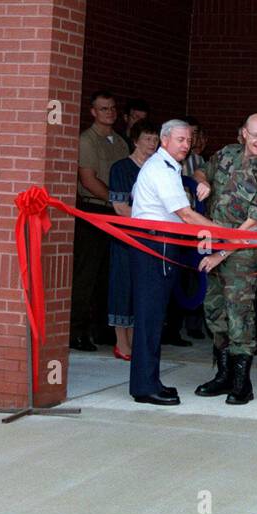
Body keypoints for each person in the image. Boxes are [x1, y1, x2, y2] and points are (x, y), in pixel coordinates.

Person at [191, 114, 257, 405]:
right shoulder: (226, 153)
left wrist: (221, 254)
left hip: (240, 255)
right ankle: (223, 375)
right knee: (214, 310)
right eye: (255, 135)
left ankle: (242, 384)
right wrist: (202, 182)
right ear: (243, 133)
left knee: (238, 317)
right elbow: (200, 172)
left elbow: (251, 227)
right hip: (212, 247)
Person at [128, 120, 219, 406]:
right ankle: (144, 387)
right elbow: (187, 216)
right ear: (164, 140)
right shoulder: (161, 170)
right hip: (155, 246)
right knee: (149, 317)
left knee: (155, 317)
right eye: (180, 139)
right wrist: (223, 234)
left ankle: (150, 381)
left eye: (188, 140)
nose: (185, 145)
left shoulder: (169, 167)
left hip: (161, 245)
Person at [71, 91, 131, 352]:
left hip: (117, 215)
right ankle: (78, 331)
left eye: (112, 108)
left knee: (110, 273)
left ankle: (103, 328)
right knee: (88, 274)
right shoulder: (86, 140)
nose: (110, 112)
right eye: (104, 109)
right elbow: (88, 180)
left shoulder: (120, 142)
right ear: (93, 112)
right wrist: (114, 201)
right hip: (94, 211)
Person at [107, 121, 160, 361]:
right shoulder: (121, 168)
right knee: (123, 286)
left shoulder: (157, 169)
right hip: (127, 238)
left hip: (153, 239)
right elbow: (120, 208)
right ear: (135, 140)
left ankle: (137, 341)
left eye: (155, 139)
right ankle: (122, 343)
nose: (152, 143)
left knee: (144, 288)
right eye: (147, 138)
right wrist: (149, 219)